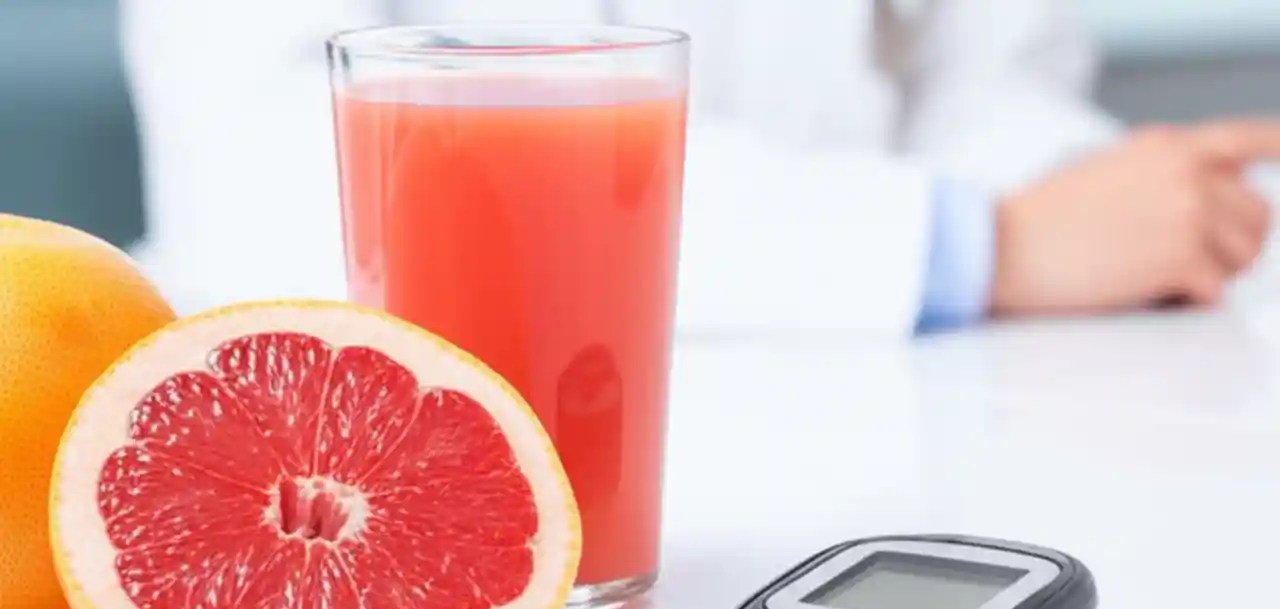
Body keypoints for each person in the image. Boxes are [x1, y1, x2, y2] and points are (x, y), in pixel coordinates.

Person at [120, 0, 1279, 335]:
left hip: (871, 409)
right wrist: (971, 246)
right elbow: (270, 174)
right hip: (395, 428)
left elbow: (985, 78)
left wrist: (1117, 204)